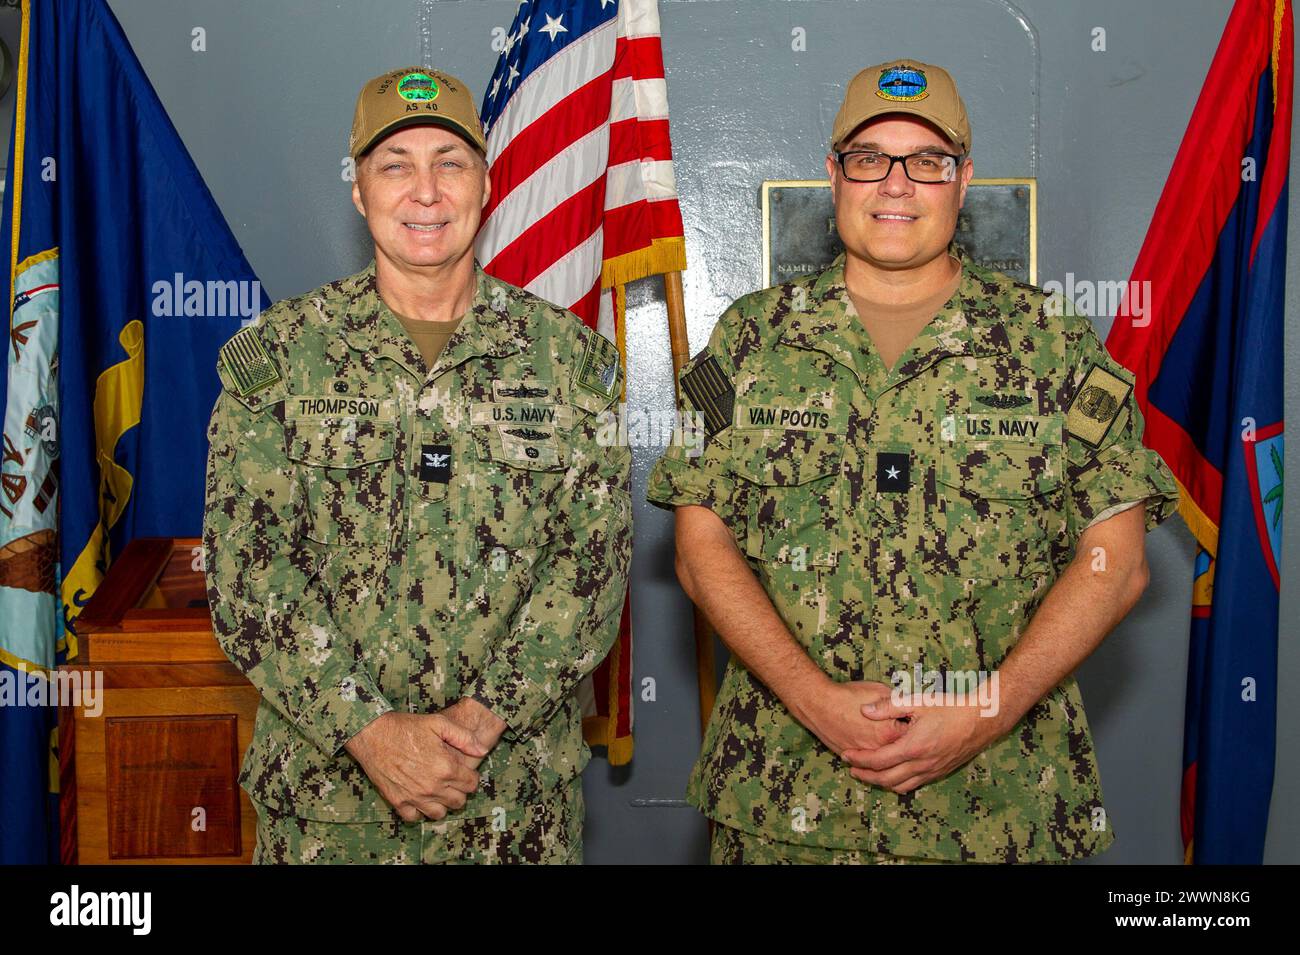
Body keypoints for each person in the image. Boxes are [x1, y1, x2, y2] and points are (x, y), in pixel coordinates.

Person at [646, 58, 1179, 864]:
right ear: (835, 177)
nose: (896, 183)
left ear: (963, 182)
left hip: (998, 808)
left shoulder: (1051, 345)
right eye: (870, 158)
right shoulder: (750, 341)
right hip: (786, 801)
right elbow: (700, 548)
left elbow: (1120, 562)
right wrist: (815, 701)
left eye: (927, 161)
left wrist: (984, 712)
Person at [203, 66, 632, 864]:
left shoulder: (568, 362)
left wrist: (476, 725)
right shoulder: (284, 360)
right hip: (329, 815)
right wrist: (370, 731)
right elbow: (247, 574)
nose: (425, 191)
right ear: (360, 191)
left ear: (486, 182)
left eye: (451, 162)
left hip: (513, 810)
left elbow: (591, 569)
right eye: (395, 165)